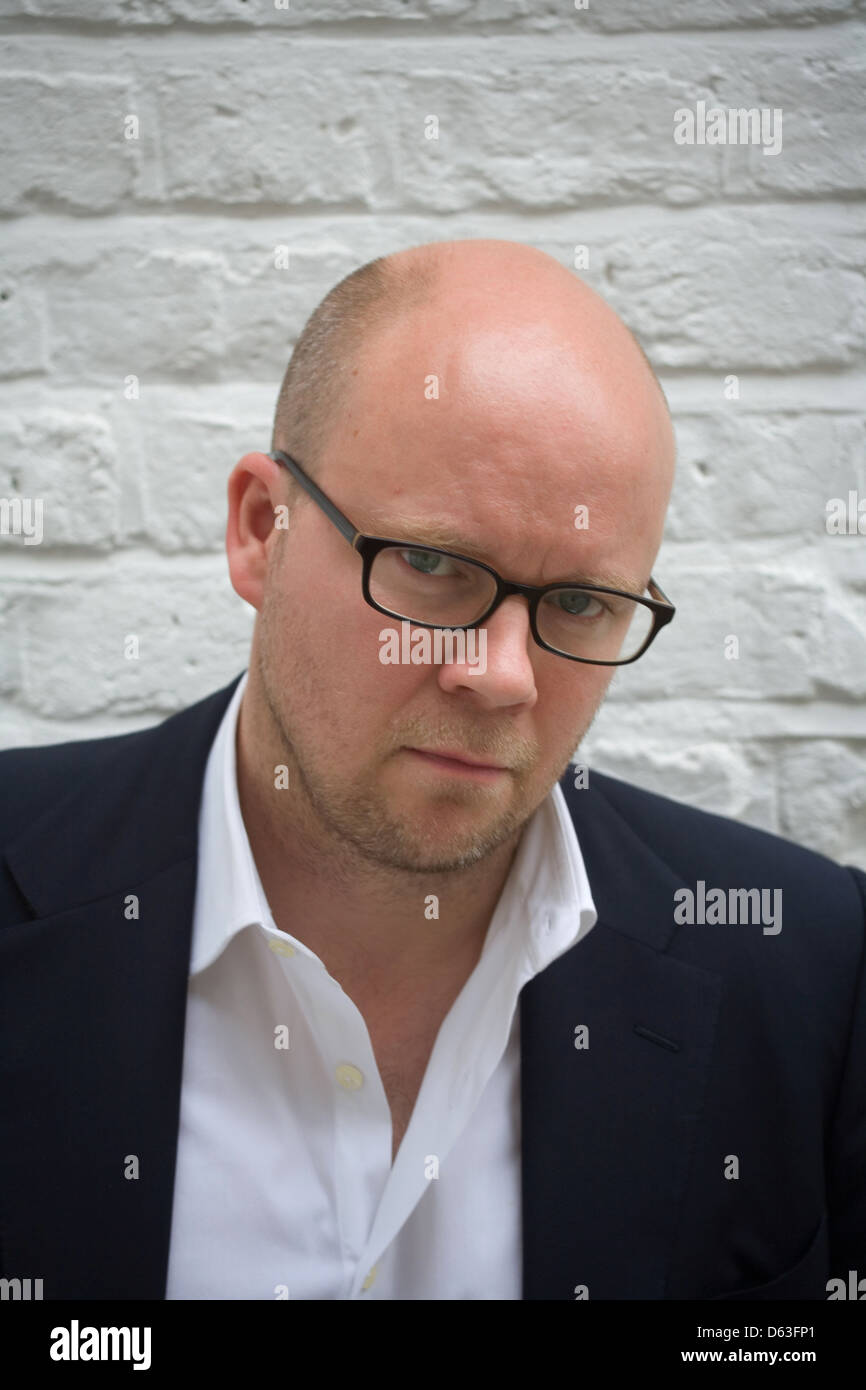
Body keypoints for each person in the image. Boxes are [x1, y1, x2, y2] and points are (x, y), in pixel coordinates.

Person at [0, 240, 863, 1302]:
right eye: (431, 566)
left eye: (580, 603)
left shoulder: (811, 975)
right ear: (260, 529)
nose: (500, 676)